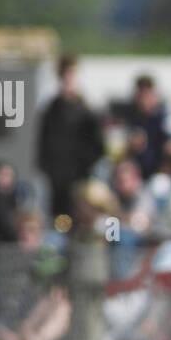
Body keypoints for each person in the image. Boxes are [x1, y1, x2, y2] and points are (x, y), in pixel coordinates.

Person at [36, 56, 105, 219]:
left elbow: (96, 143)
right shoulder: (51, 109)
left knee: (82, 213)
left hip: (81, 175)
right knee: (59, 217)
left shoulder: (87, 110)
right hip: (57, 176)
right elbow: (43, 142)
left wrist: (88, 166)